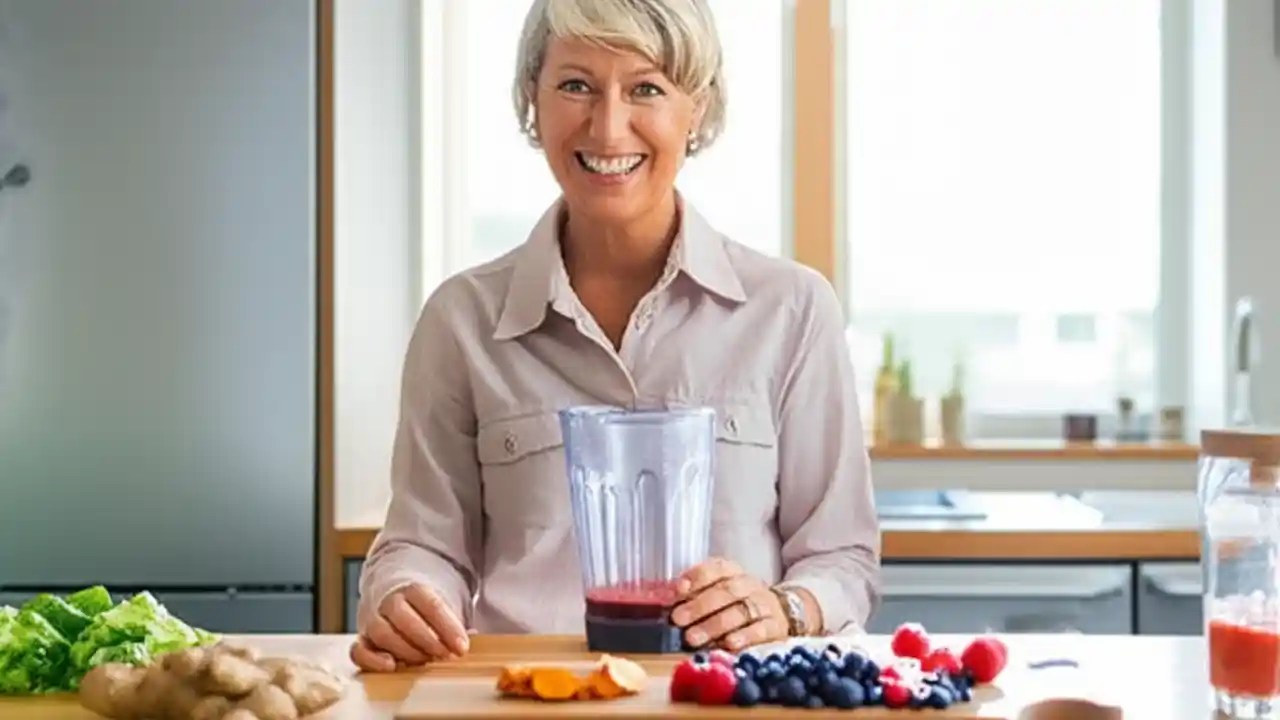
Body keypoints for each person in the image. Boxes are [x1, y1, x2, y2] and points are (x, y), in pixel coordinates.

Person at [350, 0, 881, 672]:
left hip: (727, 706)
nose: (607, 126)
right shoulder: (461, 320)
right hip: (524, 703)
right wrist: (405, 596)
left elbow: (843, 558)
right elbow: (420, 545)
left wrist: (784, 607)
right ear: (530, 101)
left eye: (646, 89)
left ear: (699, 110)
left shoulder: (793, 310)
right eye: (575, 85)